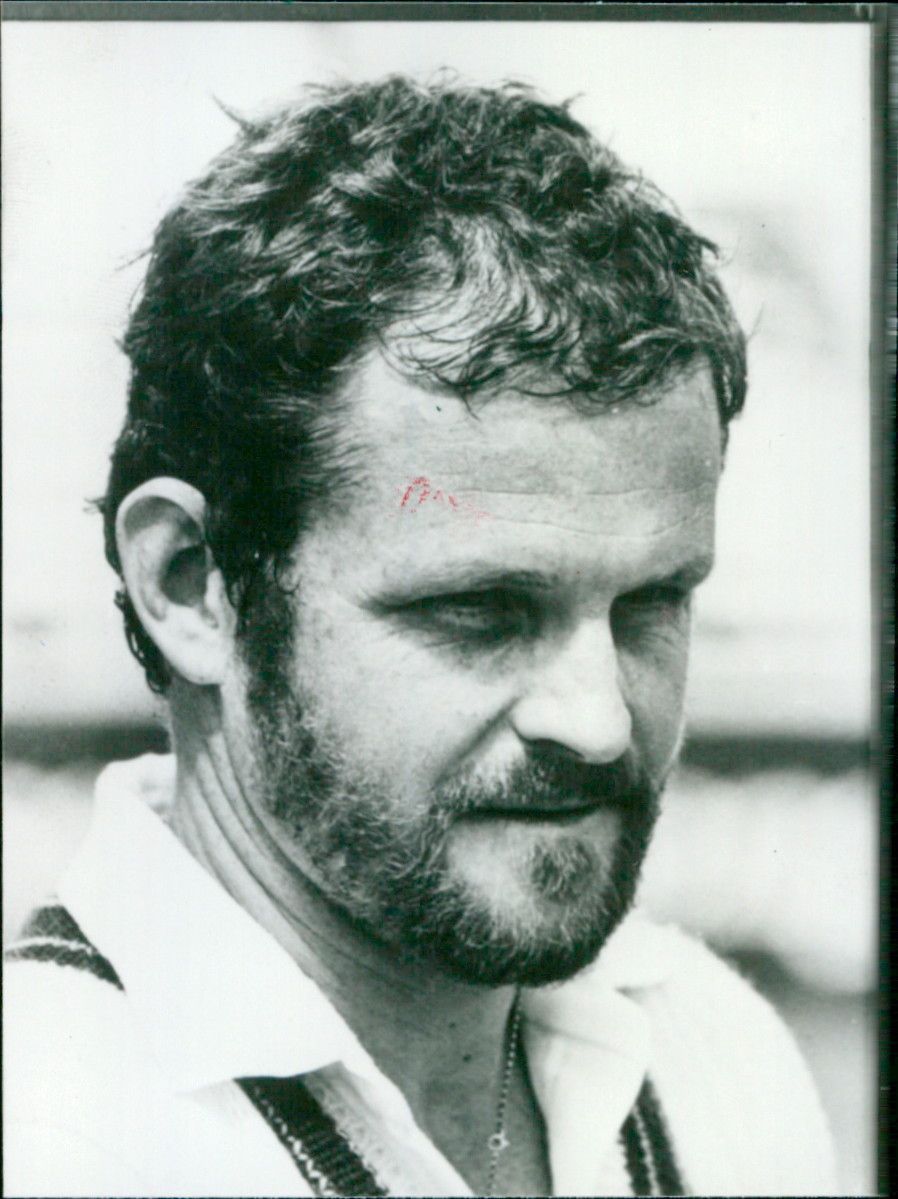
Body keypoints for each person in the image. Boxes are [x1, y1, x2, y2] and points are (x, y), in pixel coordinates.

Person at [4, 75, 837, 1198]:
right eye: (481, 611)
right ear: (192, 586)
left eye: (651, 603)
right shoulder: (57, 1135)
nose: (597, 722)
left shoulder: (711, 1060)